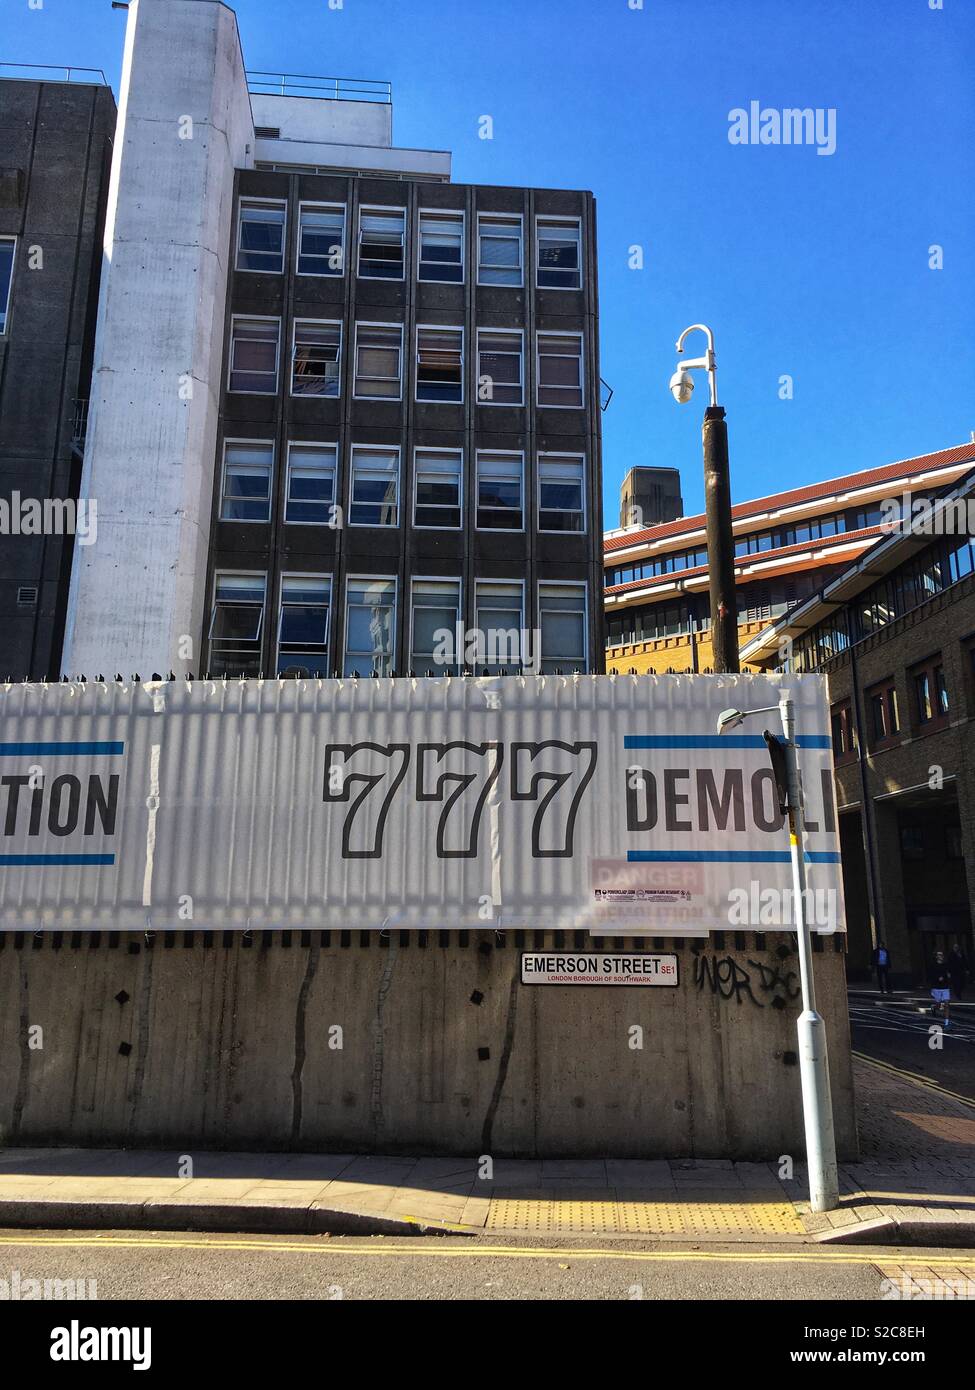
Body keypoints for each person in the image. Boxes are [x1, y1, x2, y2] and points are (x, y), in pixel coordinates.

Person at [929, 950, 952, 1029]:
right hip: (936, 987)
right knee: (938, 1005)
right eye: (939, 955)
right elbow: (930, 976)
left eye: (942, 955)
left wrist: (948, 977)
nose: (941, 956)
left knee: (946, 1005)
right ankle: (934, 1007)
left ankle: (946, 1023)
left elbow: (948, 974)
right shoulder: (933, 965)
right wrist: (937, 978)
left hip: (945, 987)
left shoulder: (946, 965)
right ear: (936, 957)